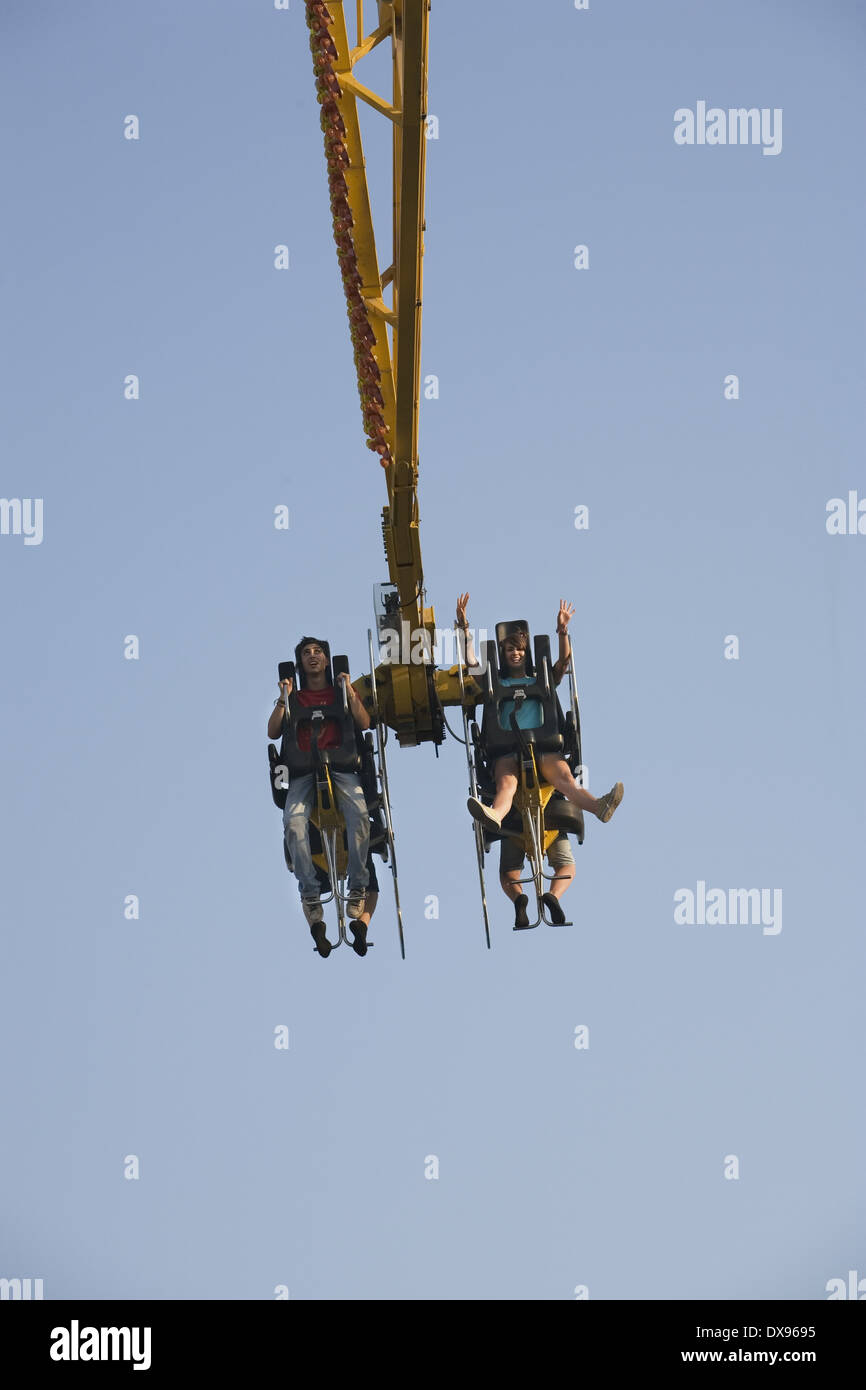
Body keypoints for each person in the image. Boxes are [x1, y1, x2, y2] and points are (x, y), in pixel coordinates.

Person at [456, 592, 624, 835]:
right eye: (510, 649)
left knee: (566, 781)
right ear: (503, 655)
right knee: (507, 783)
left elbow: (563, 664)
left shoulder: (540, 679)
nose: (516, 653)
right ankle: (495, 814)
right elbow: (471, 662)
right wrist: (464, 628)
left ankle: (599, 806)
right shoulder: (494, 681)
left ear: (526, 654)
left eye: (520, 650)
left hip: (543, 747)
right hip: (506, 751)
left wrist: (562, 632)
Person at [267, 636, 371, 954]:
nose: (313, 657)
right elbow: (273, 731)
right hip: (302, 771)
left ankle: (357, 887)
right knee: (293, 823)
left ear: (327, 660)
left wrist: (349, 689)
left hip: (340, 766)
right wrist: (283, 698)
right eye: (307, 653)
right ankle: (310, 894)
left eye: (318, 652)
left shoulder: (340, 692)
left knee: (358, 814)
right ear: (300, 663)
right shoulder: (293, 696)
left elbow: (364, 722)